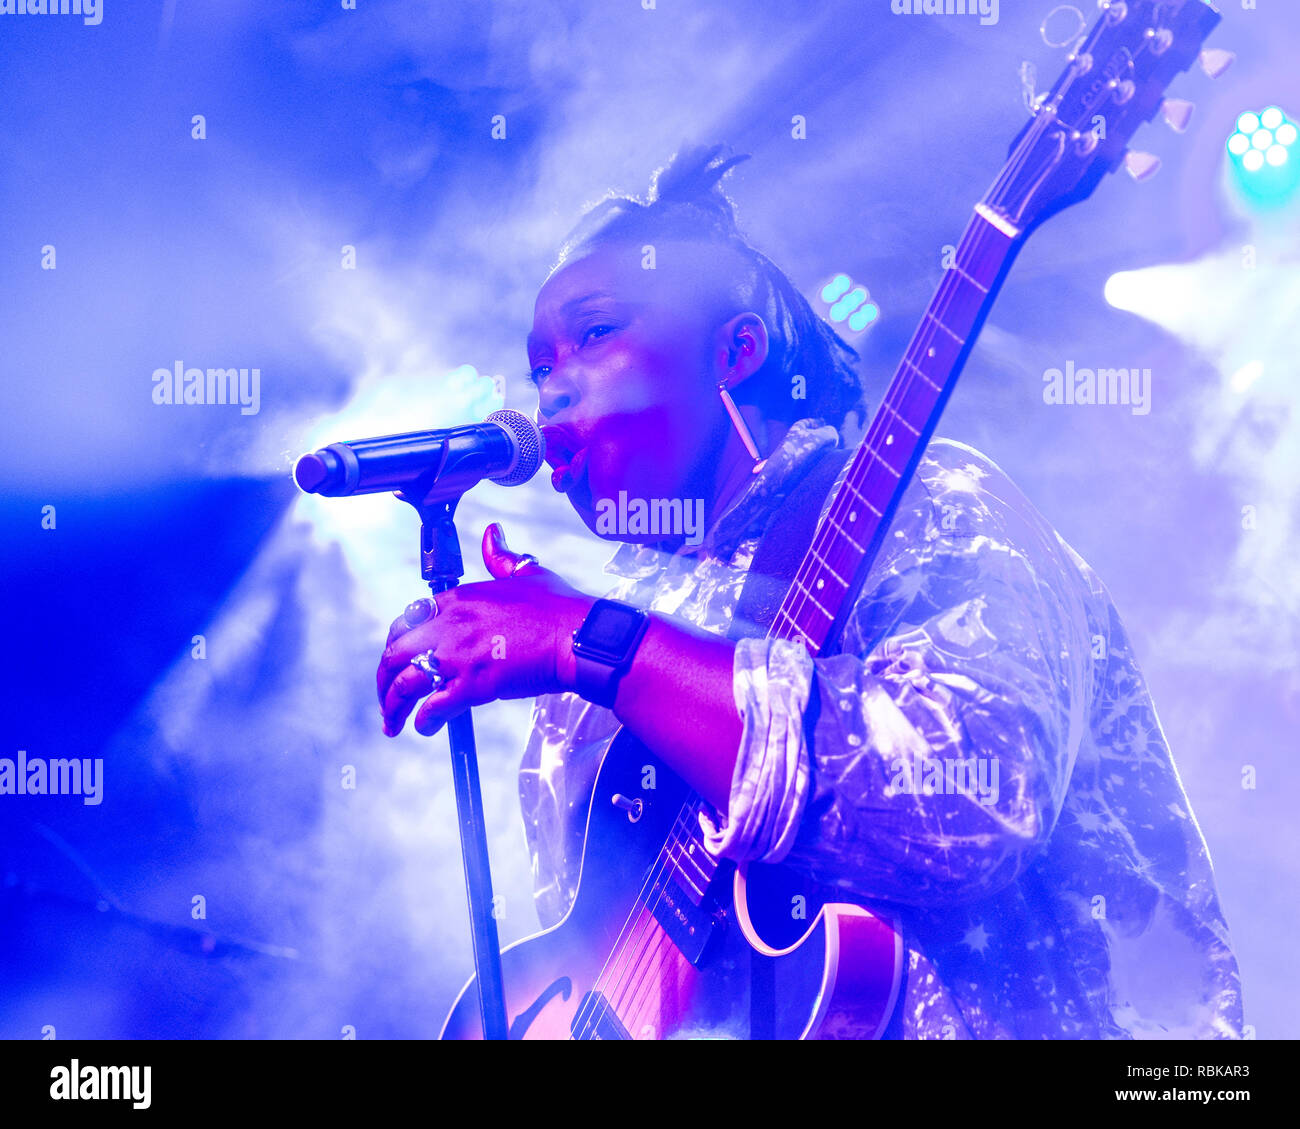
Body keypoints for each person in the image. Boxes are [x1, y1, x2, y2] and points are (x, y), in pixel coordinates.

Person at [375, 145, 1244, 1039]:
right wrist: (584, 661)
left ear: (737, 350)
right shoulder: (594, 668)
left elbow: (976, 801)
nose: (554, 390)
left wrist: (591, 642)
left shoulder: (932, 507)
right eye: (540, 367)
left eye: (596, 333)